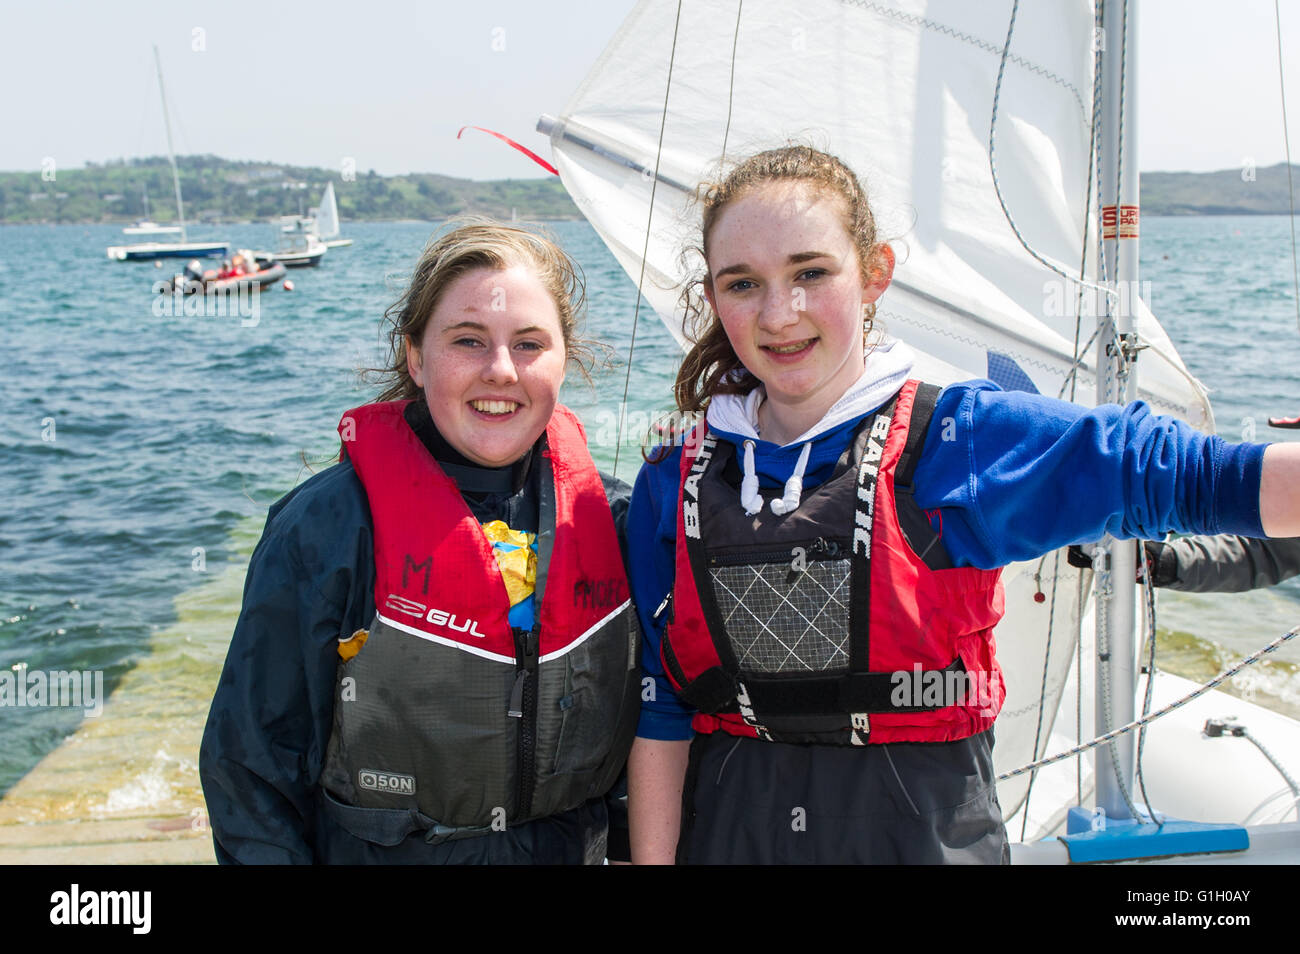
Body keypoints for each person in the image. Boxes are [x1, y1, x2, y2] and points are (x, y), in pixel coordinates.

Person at [625, 146, 1300, 864]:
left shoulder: (960, 442)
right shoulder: (674, 482)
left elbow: (1180, 474)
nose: (779, 312)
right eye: (742, 284)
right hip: (730, 835)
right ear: (713, 296)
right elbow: (663, 708)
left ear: (874, 272)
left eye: (810, 272)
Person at [200, 221, 641, 864]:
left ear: (563, 359)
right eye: (468, 341)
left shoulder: (618, 520)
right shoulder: (326, 530)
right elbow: (252, 771)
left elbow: (653, 740)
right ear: (415, 356)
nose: (500, 371)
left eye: (529, 344)